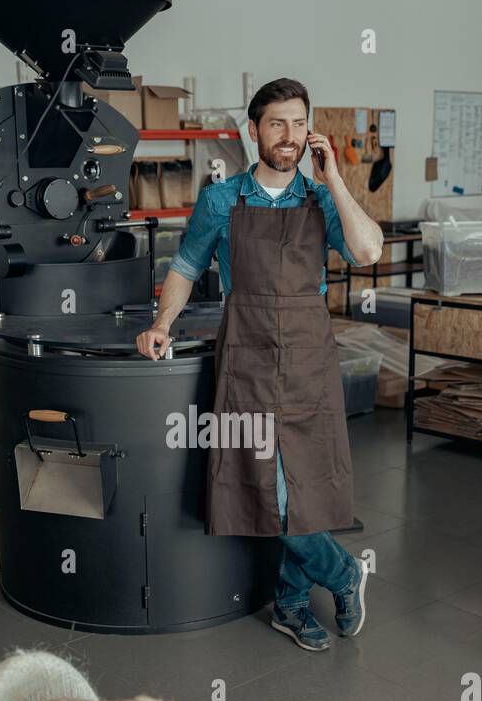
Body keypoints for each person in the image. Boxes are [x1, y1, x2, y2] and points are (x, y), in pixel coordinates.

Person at [136, 77, 383, 651]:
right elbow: (187, 266)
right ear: (254, 131)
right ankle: (343, 572)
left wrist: (336, 180)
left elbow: (368, 251)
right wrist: (161, 324)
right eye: (277, 123)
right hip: (245, 355)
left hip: (307, 357)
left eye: (299, 124)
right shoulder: (221, 200)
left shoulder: (321, 199)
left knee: (306, 488)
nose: (290, 136)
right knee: (263, 484)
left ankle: (292, 602)